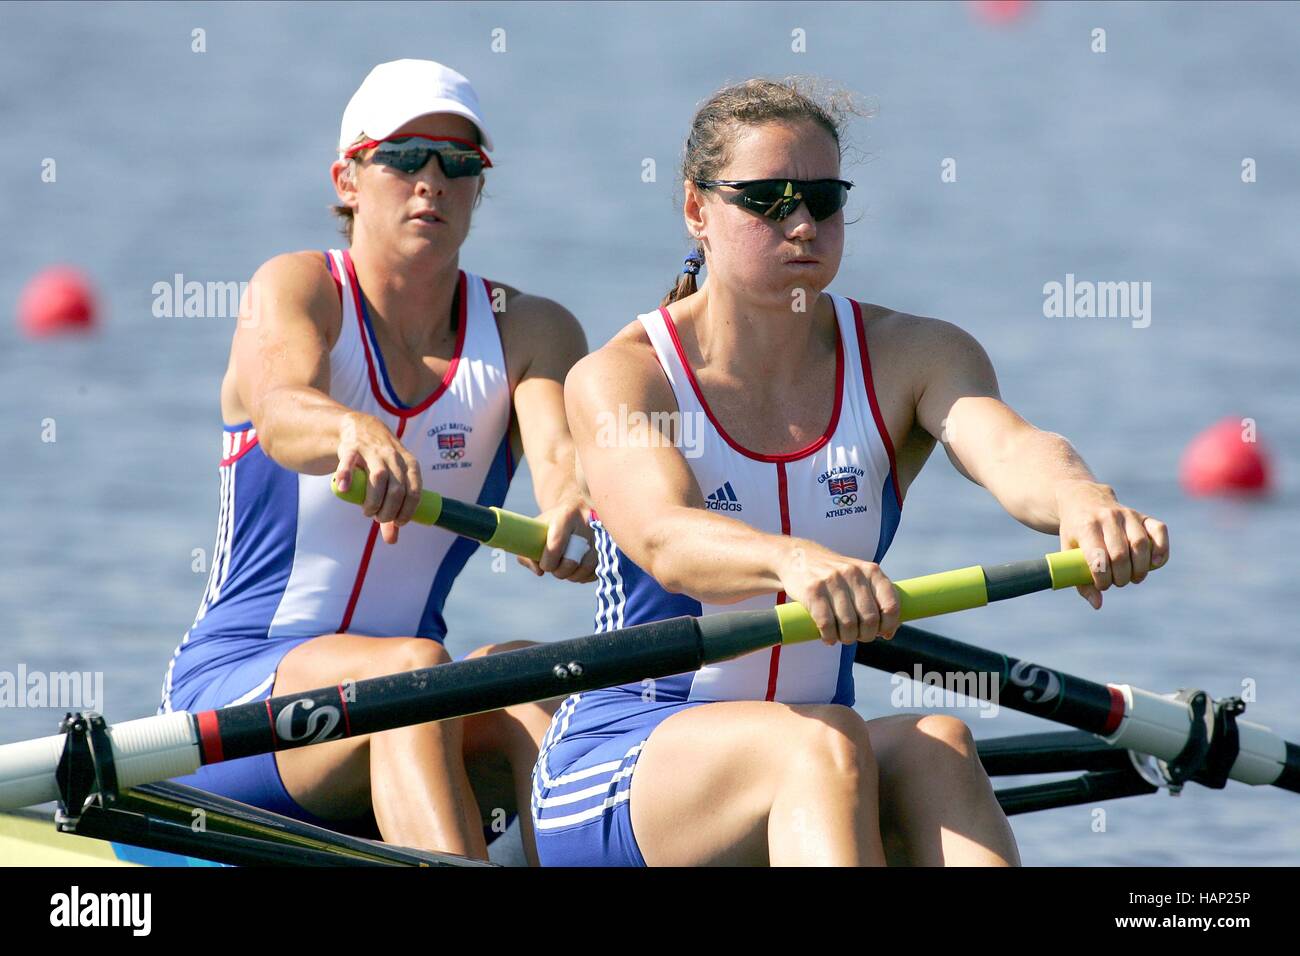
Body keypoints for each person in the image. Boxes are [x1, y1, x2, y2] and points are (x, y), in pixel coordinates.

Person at [533, 77, 1170, 866]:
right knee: (823, 745)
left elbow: (1008, 448)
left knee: (938, 738)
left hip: (814, 760)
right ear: (698, 210)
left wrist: (1083, 500)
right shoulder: (624, 376)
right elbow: (664, 537)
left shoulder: (914, 355)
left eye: (824, 199)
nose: (802, 224)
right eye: (768, 200)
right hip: (622, 763)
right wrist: (790, 559)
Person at [157, 59, 595, 864]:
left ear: (476, 189)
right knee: (416, 674)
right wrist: (348, 429)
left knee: (543, 680)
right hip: (236, 702)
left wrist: (575, 503)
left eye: (457, 164)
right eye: (402, 157)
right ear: (349, 178)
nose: (431, 180)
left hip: (406, 696)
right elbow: (284, 410)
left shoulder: (533, 330)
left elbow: (562, 460)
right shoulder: (295, 289)